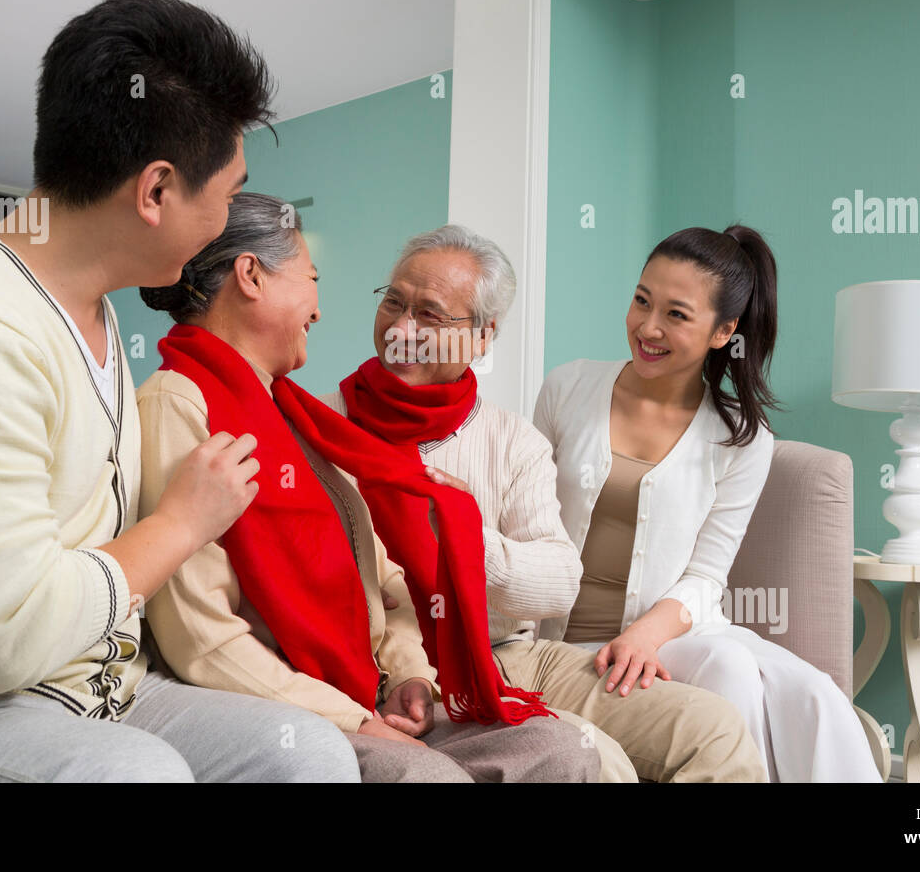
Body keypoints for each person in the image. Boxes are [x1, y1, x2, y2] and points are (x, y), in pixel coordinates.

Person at [0, 0, 359, 782]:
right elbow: (6, 642)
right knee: (130, 776)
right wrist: (183, 522)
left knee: (308, 754)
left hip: (87, 693)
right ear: (156, 191)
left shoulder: (89, 311)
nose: (227, 216)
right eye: (226, 194)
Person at [135, 192, 602, 782]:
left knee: (563, 751)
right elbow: (198, 636)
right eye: (312, 278)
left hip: (374, 684)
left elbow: (382, 577)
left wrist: (410, 673)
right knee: (430, 776)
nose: (320, 310)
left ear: (482, 338)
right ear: (251, 276)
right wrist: (352, 716)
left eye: (428, 313)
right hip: (291, 701)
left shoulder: (296, 412)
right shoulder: (177, 406)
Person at [324, 224, 767, 782]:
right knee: (591, 754)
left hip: (508, 653)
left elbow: (559, 580)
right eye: (393, 302)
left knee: (715, 732)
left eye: (431, 314)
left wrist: (463, 535)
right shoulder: (318, 429)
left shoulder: (513, 441)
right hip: (395, 670)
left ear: (482, 338)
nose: (401, 328)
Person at [536, 224, 882, 782]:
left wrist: (647, 634)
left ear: (724, 332)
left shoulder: (742, 436)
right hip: (569, 645)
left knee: (814, 698)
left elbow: (706, 574)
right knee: (731, 667)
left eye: (676, 314)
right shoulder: (568, 387)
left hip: (667, 636)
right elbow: (526, 519)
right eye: (642, 301)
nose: (648, 327)